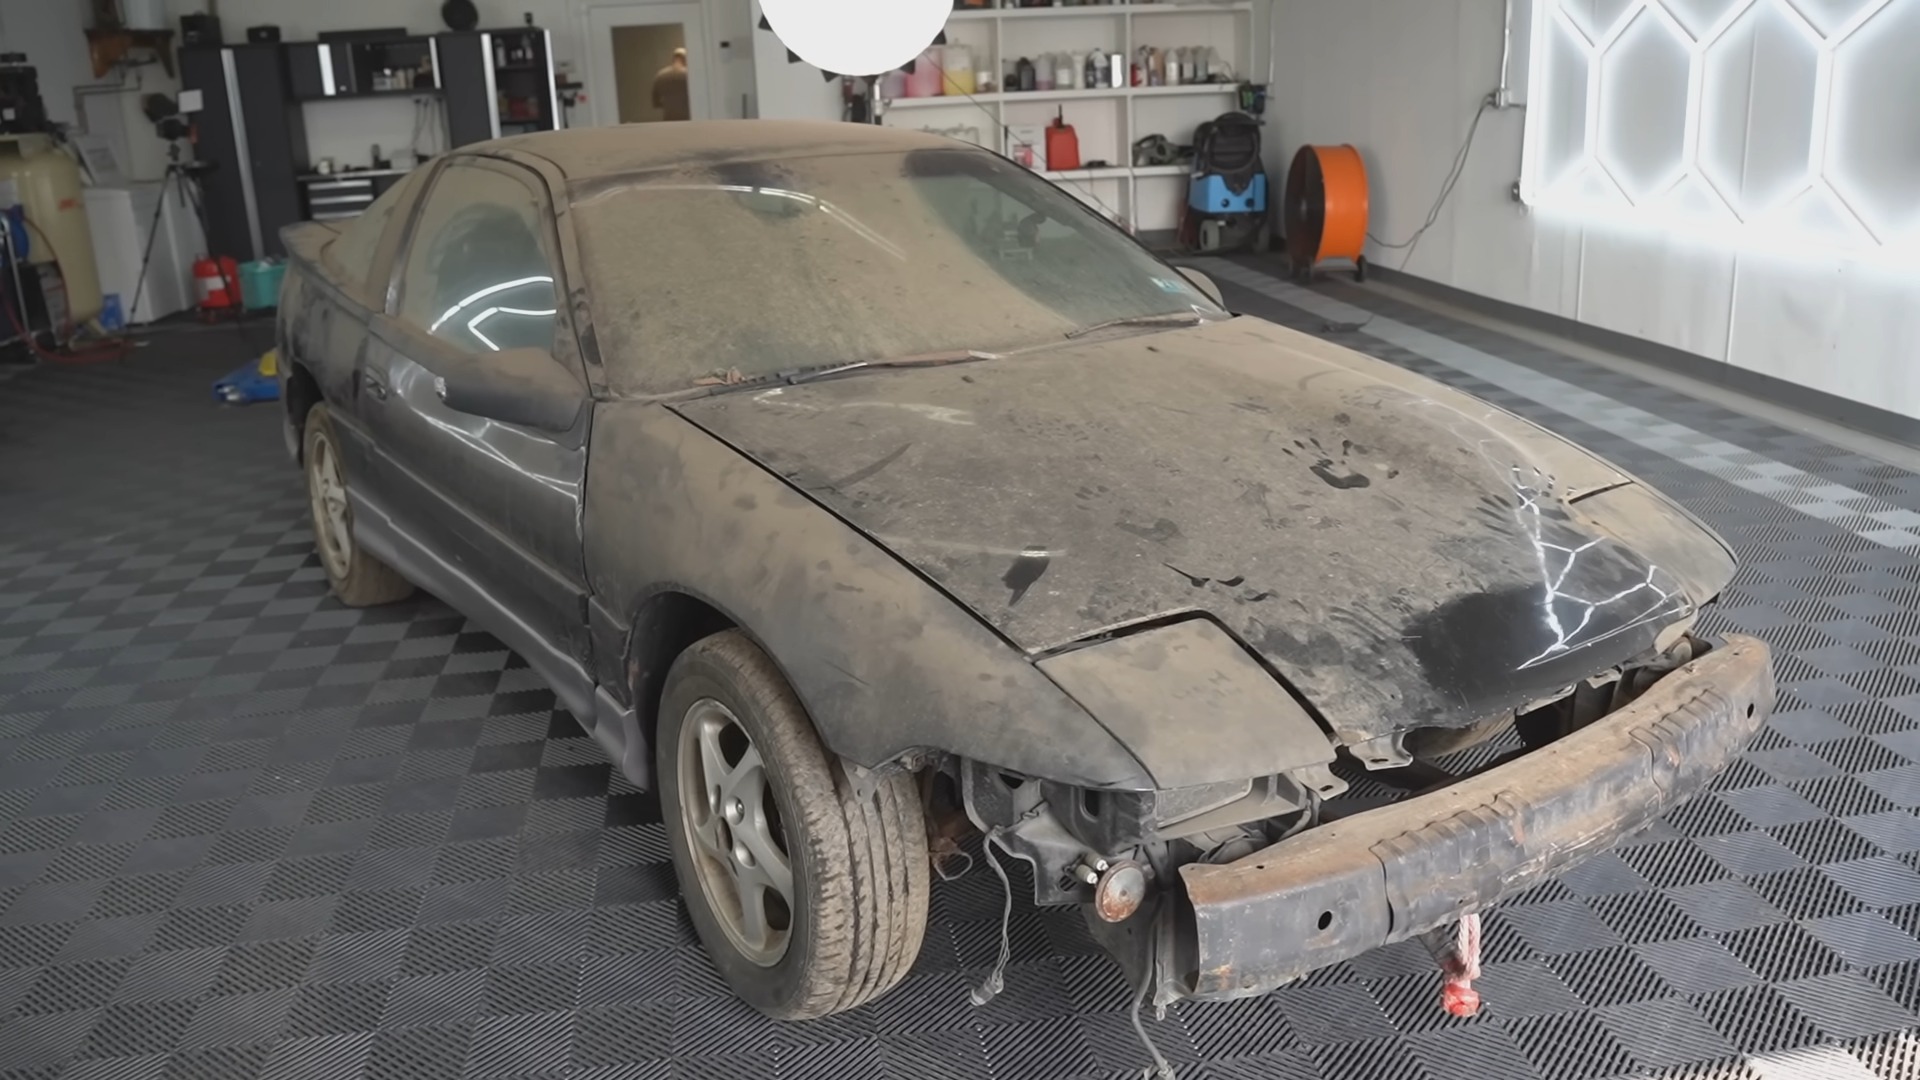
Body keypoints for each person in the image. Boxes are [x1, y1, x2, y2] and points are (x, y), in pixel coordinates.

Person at [651, 46, 690, 122]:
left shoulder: (660, 75)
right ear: (685, 59)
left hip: (669, 118)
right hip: (687, 118)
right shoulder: (689, 75)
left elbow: (655, 103)